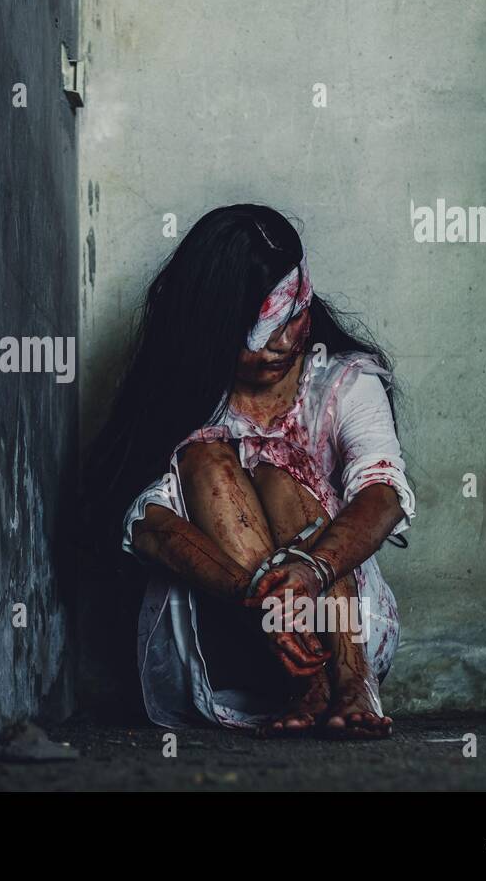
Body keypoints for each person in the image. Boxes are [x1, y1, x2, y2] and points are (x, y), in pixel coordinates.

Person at [85, 204, 415, 738]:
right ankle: (298, 686)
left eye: (293, 318)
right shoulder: (187, 397)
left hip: (340, 629)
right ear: (214, 330)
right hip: (225, 638)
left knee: (281, 476)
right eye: (261, 330)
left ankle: (350, 681)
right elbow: (151, 528)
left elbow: (384, 493)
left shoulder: (343, 382)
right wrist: (257, 592)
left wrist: (310, 572)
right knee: (207, 459)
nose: (283, 342)